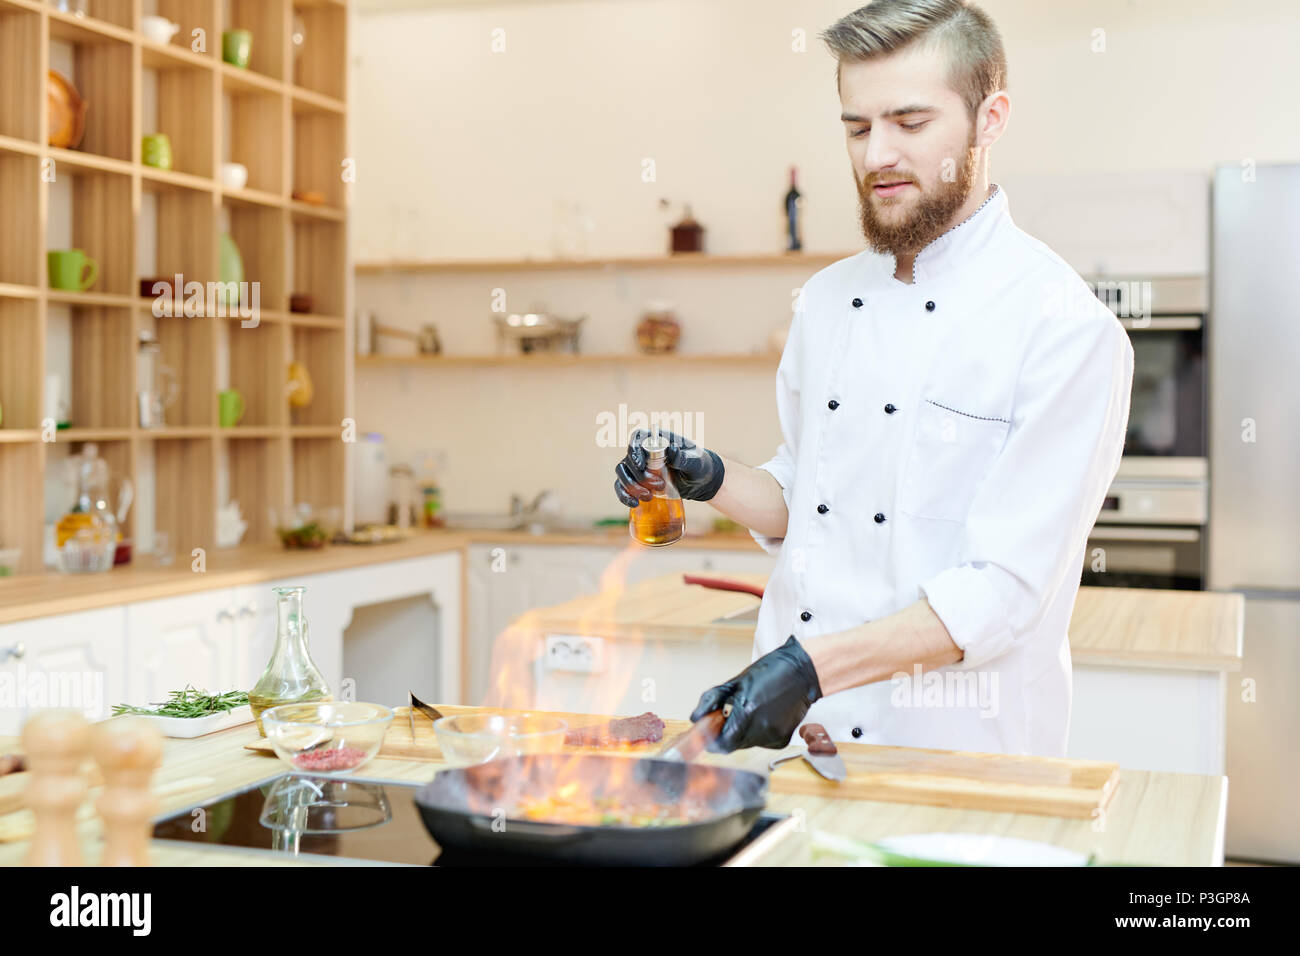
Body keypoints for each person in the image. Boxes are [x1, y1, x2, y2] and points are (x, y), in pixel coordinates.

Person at [613, 0, 1133, 757]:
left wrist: (809, 668)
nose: (876, 155)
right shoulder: (826, 299)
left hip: (956, 761)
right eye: (857, 128)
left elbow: (1002, 593)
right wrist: (712, 476)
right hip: (795, 745)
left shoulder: (1064, 327)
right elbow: (809, 500)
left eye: (909, 123)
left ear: (990, 119)